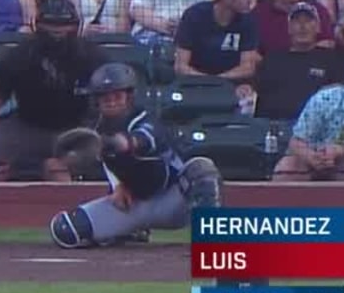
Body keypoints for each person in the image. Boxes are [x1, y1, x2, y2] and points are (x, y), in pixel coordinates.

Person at [0, 0, 107, 242]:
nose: (57, 34)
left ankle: (124, 225)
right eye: (51, 28)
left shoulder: (92, 57)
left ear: (76, 27)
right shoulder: (19, 56)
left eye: (63, 27)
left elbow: (109, 104)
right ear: (36, 26)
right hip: (27, 125)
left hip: (77, 129)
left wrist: (97, 137)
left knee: (119, 150)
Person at [48, 62, 224, 248]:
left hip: (174, 199)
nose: (111, 101)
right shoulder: (96, 130)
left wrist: (114, 143)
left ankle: (212, 238)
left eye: (117, 95)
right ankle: (129, 231)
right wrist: (117, 186)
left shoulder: (146, 120)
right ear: (96, 100)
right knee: (66, 230)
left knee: (202, 169)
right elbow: (109, 164)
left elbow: (143, 140)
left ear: (129, 96)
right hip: (135, 203)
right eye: (105, 97)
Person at [253, 2, 344, 121]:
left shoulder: (333, 60)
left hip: (319, 126)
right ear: (289, 28)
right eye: (297, 21)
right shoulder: (272, 60)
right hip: (277, 125)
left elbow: (342, 95)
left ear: (318, 27)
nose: (302, 26)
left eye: (308, 21)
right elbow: (260, 97)